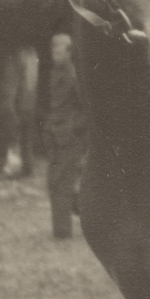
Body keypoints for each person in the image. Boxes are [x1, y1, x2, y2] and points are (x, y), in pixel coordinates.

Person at [44, 33, 86, 240]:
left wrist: (73, 129)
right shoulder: (54, 73)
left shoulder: (73, 75)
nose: (54, 55)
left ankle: (62, 233)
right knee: (53, 182)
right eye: (53, 51)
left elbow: (86, 109)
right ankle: (86, 209)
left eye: (59, 51)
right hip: (54, 135)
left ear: (69, 52)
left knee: (62, 183)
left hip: (70, 137)